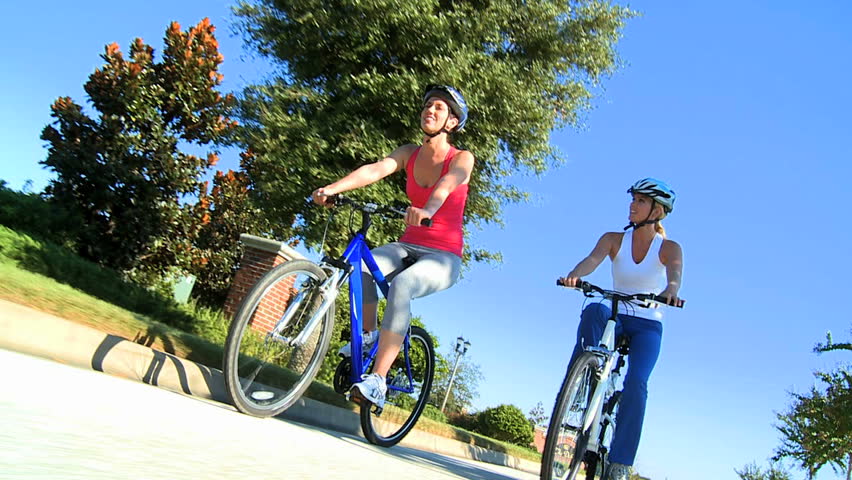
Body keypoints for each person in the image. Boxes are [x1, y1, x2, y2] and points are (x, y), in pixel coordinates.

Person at [311, 84, 474, 409]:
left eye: (439, 107)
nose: (430, 110)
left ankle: (378, 380)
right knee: (360, 265)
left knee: (402, 285)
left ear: (452, 122)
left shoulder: (462, 158)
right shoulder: (409, 153)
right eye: (427, 105)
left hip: (444, 257)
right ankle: (369, 335)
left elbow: (447, 184)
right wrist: (333, 189)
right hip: (408, 244)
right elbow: (376, 169)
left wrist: (428, 210)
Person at [558, 178, 684, 480]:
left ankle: (620, 463)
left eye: (641, 201)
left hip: (647, 324)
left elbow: (674, 273)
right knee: (594, 309)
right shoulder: (614, 239)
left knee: (636, 383)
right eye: (633, 199)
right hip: (615, 314)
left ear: (657, 211)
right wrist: (574, 275)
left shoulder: (668, 247)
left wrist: (671, 289)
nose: (633, 205)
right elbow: (592, 260)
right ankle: (582, 378)